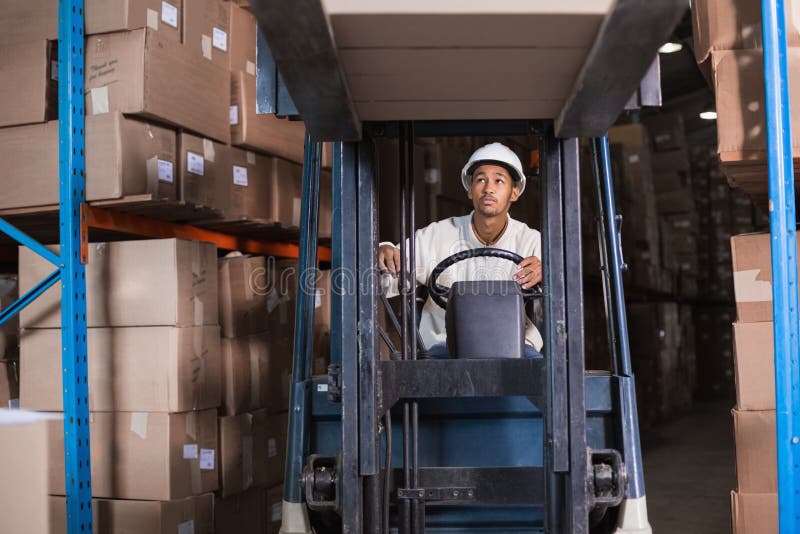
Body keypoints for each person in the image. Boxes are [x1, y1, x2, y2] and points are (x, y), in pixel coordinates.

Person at [379, 142, 543, 358]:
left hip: (515, 347)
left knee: (537, 379)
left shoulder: (531, 241)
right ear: (469, 190)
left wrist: (546, 274)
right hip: (445, 347)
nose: (488, 188)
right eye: (480, 179)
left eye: (498, 180)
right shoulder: (437, 235)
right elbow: (390, 279)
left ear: (514, 192)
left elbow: (564, 290)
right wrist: (385, 251)